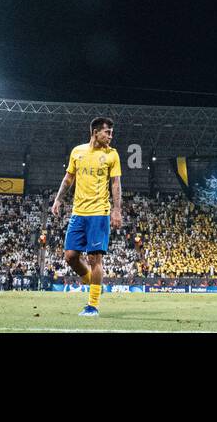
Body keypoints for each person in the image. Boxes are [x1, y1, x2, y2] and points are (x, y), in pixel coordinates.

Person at [51, 116, 122, 317]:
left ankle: (92, 305)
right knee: (70, 257)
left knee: (94, 257)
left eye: (111, 133)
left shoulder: (112, 155)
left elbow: (115, 184)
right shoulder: (78, 151)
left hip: (99, 212)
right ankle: (90, 279)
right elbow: (68, 178)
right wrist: (57, 200)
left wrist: (117, 210)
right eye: (107, 132)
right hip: (78, 212)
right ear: (95, 132)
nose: (110, 136)